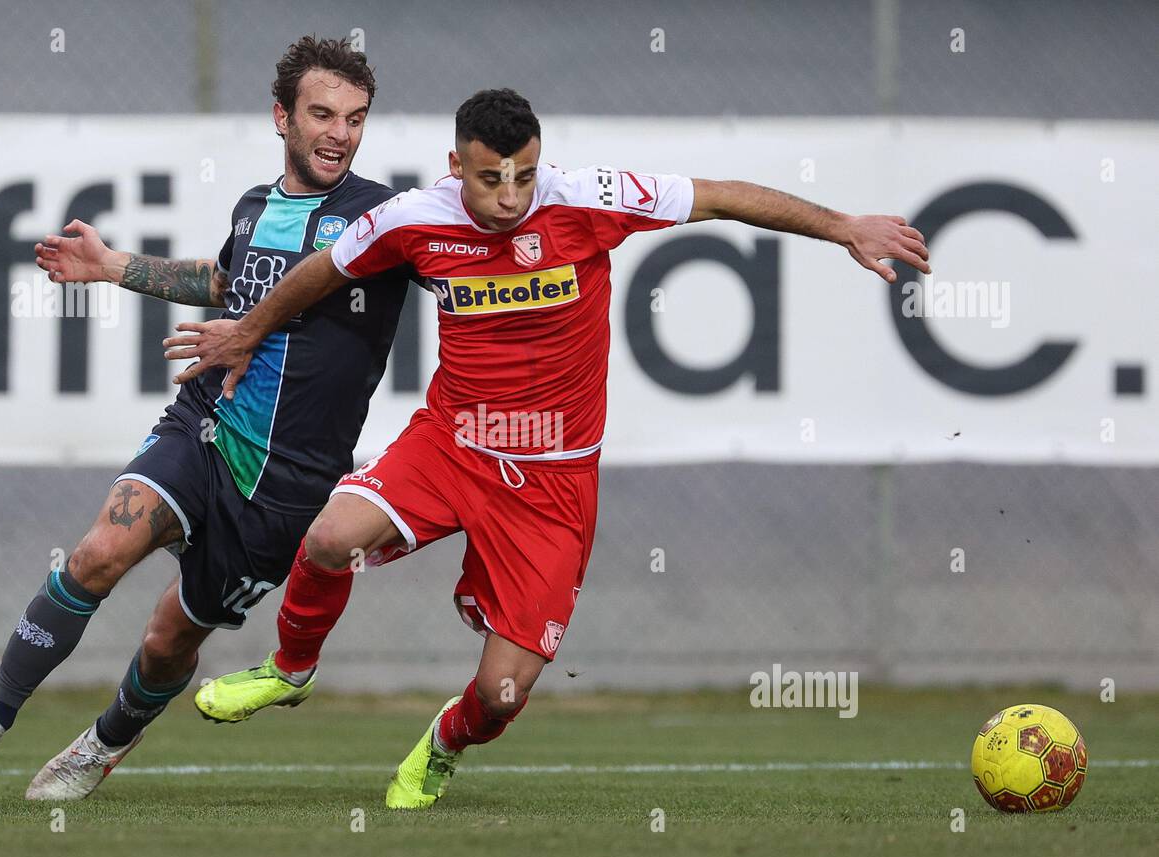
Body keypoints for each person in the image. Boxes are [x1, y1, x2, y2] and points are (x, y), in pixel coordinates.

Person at [167, 88, 931, 809]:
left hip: (554, 480)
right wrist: (248, 330)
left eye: (524, 177)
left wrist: (845, 228)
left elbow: (725, 195)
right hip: (452, 444)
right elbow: (321, 272)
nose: (510, 197)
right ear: (455, 166)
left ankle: (441, 746)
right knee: (330, 536)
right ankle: (291, 669)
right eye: (492, 179)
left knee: (502, 695)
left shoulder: (588, 199)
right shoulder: (412, 218)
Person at [0, 36, 416, 800]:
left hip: (288, 487)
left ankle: (102, 744)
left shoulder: (382, 216)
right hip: (205, 425)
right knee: (96, 554)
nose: (339, 133)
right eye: (321, 113)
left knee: (168, 639)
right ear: (280, 117)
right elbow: (225, 281)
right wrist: (116, 266)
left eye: (354, 118)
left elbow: (412, 264)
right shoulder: (254, 206)